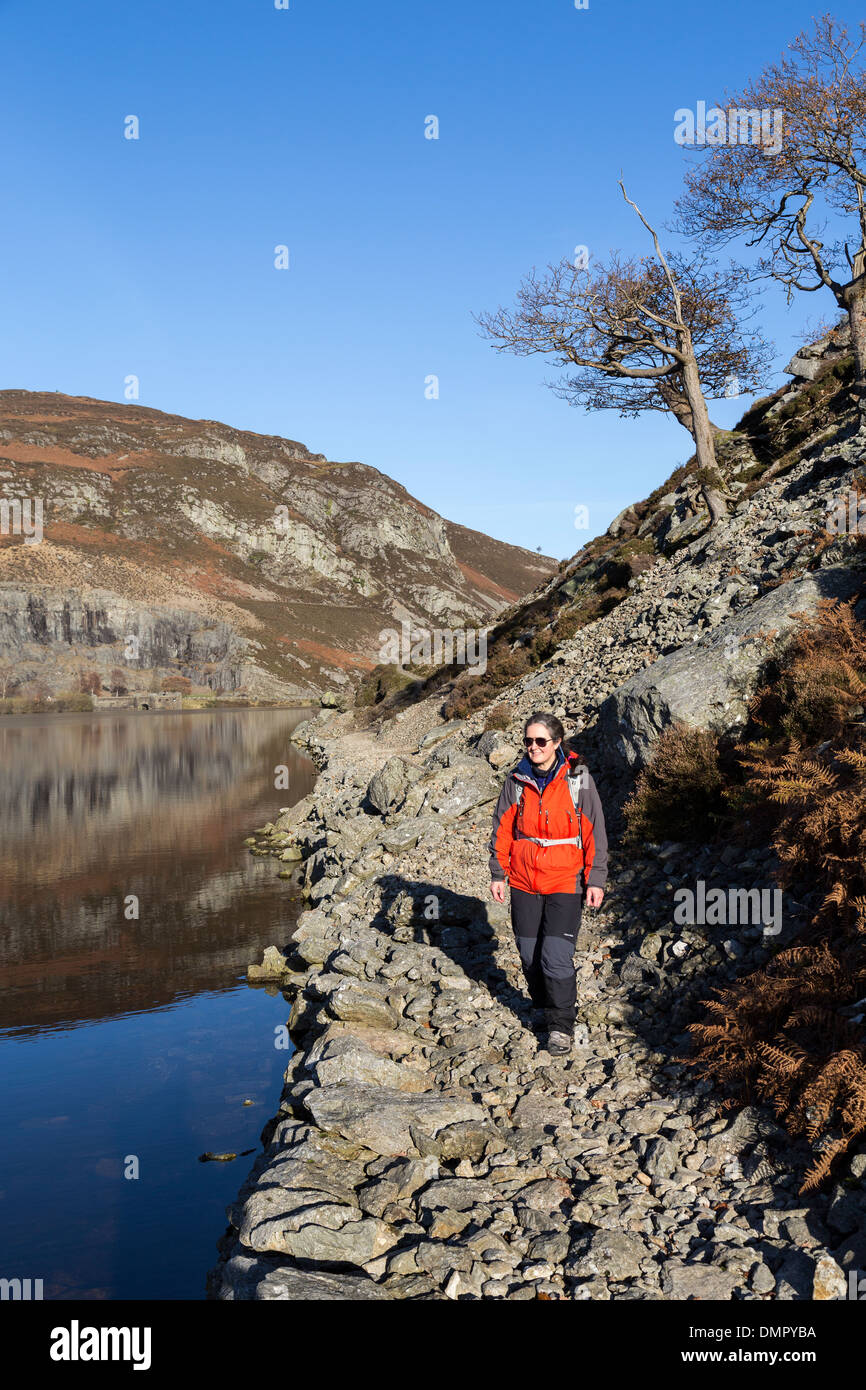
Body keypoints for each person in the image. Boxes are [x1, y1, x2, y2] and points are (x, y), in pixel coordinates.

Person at [488, 711, 608, 1055]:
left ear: (557, 743)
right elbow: (501, 830)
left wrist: (595, 879)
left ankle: (560, 1026)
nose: (533, 747)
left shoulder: (578, 777)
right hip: (524, 881)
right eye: (528, 741)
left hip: (565, 880)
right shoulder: (515, 780)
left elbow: (595, 830)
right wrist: (499, 873)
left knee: (555, 956)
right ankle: (542, 1006)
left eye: (541, 741)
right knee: (529, 955)